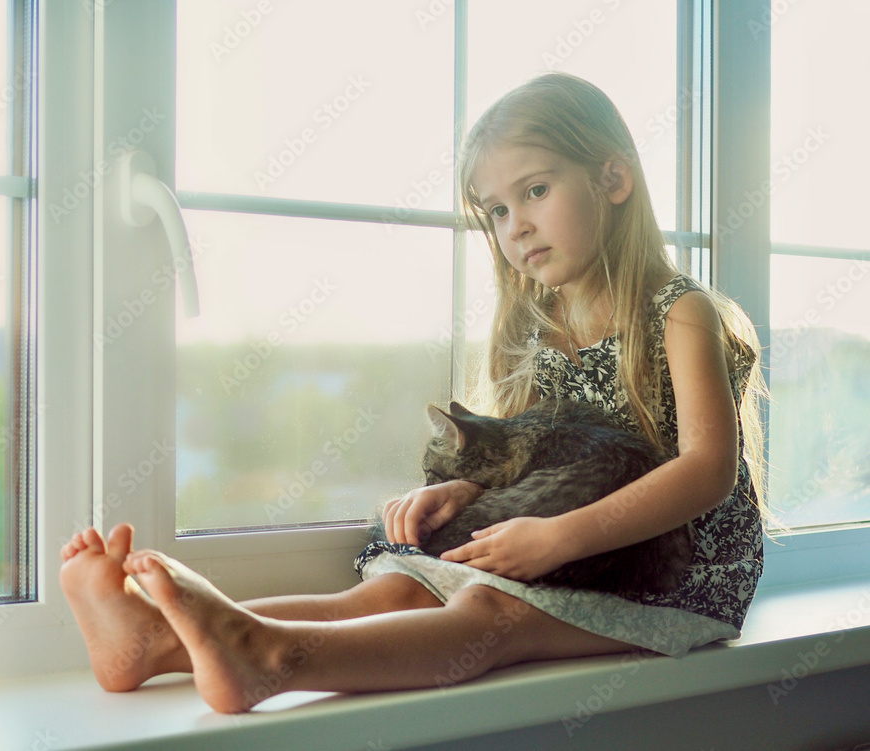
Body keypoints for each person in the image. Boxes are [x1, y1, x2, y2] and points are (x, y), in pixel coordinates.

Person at [60, 72, 766, 714]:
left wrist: (558, 536)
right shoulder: (537, 323)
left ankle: (269, 657)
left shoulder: (678, 311)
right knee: (393, 590)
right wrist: (463, 494)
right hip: (568, 553)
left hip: (676, 572)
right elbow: (520, 460)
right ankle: (153, 641)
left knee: (488, 615)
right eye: (495, 210)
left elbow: (708, 470)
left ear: (613, 178)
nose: (515, 225)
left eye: (536, 190)